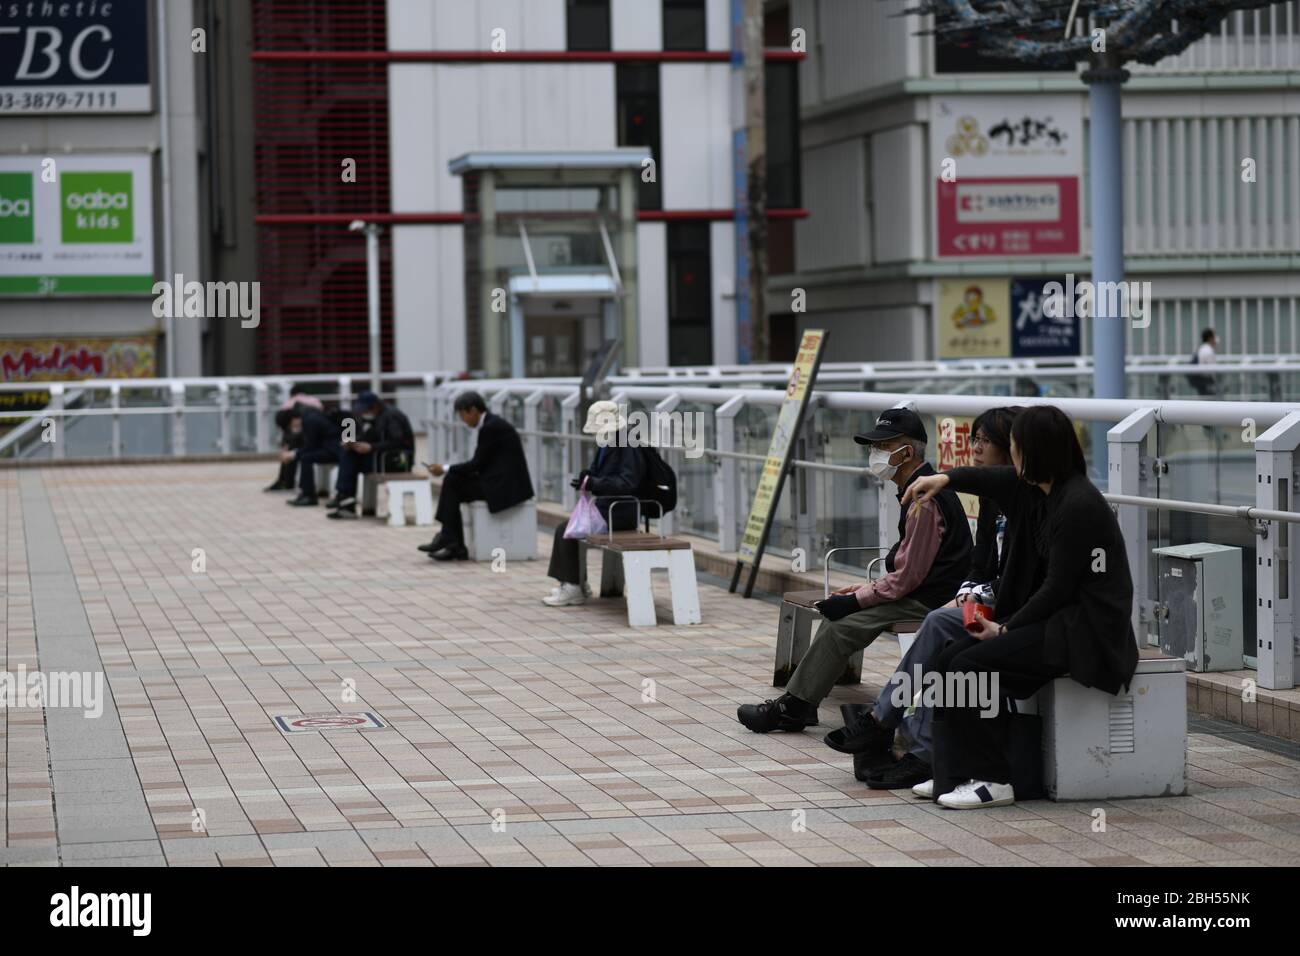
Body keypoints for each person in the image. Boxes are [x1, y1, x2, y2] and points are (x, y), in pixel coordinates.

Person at [901, 404, 1138, 810]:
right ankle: (952, 772)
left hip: (1084, 632)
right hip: (1052, 621)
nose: (1009, 456)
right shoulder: (1039, 490)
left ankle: (995, 779)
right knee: (947, 659)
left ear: (1034, 451)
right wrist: (943, 478)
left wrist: (1005, 630)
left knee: (972, 665)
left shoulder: (1078, 505)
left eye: (1013, 447)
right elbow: (993, 479)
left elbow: (1058, 589)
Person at [736, 404, 972, 734]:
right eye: (874, 446)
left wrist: (857, 600)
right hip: (923, 591)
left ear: (906, 453)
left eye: (883, 447)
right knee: (841, 615)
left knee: (841, 624)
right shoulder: (919, 489)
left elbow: (909, 577)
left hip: (931, 600)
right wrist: (860, 593)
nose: (875, 453)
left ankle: (795, 708)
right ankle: (798, 704)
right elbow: (909, 568)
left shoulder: (924, 499)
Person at [836, 407, 1021, 791]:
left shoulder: (1029, 500)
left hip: (1018, 611)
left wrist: (981, 599)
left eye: (985, 441)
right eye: (974, 440)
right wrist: (969, 594)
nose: (974, 449)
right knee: (939, 628)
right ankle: (902, 739)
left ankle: (887, 728)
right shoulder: (991, 497)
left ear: (1012, 448)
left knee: (941, 634)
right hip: (990, 602)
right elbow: (981, 562)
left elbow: (1028, 578)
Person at [541, 400, 647, 607]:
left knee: (566, 530)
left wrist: (595, 482)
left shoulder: (627, 444)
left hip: (620, 512)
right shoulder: (610, 441)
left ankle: (572, 586)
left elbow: (628, 482)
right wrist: (587, 478)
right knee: (567, 528)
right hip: (608, 509)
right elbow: (600, 473)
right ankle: (576, 583)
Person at [418, 391, 533, 561]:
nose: (462, 420)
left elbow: (476, 464)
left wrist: (444, 468)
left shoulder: (490, 427)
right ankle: (450, 540)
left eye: (462, 414)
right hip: (499, 481)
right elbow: (480, 464)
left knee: (452, 482)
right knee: (453, 481)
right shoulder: (491, 423)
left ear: (472, 410)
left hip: (505, 488)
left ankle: (451, 541)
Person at [326, 391, 415, 519]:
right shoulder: (378, 416)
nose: (363, 413)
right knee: (349, 452)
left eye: (366, 409)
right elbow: (373, 437)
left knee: (350, 458)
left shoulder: (391, 416)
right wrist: (355, 443)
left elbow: (399, 442)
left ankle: (345, 498)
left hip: (396, 461)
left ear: (374, 406)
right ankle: (345, 499)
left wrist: (371, 447)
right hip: (382, 458)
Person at [280, 403, 343, 506]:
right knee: (306, 456)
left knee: (306, 458)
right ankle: (305, 493)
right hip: (336, 448)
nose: (293, 429)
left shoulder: (309, 420)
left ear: (292, 420)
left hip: (335, 450)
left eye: (291, 426)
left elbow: (311, 446)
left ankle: (308, 495)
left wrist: (293, 454)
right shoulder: (312, 415)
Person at [265, 387, 324, 491]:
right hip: (314, 435)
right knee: (295, 451)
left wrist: (287, 448)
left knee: (296, 453)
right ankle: (287, 482)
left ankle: (286, 482)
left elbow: (284, 425)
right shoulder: (315, 401)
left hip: (307, 438)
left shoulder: (290, 403)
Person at [1189, 327, 1217, 395]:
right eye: (1214, 336)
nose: (1216, 339)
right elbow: (1213, 370)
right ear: (1210, 338)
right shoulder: (1208, 351)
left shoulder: (1202, 348)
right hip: (1206, 383)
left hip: (1203, 383)